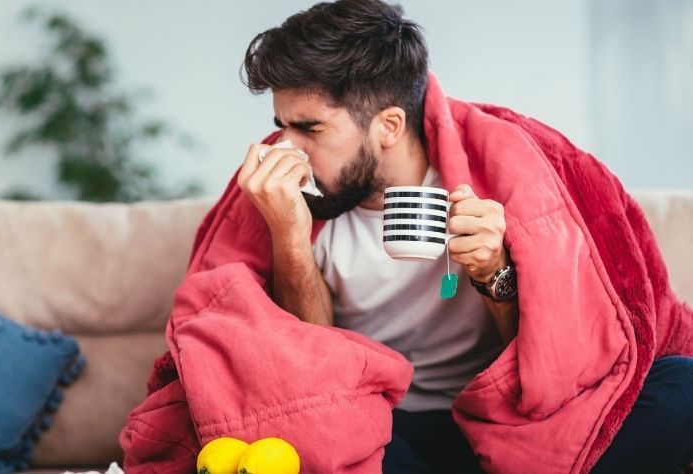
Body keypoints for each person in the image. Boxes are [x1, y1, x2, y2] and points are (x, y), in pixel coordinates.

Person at [235, 0, 693, 472]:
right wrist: (288, 233)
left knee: (683, 386)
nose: (286, 147)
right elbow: (310, 372)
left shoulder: (491, 178)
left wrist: (495, 272)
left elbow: (553, 363)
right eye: (281, 126)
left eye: (309, 127)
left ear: (388, 126)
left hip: (504, 418)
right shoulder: (300, 206)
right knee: (319, 439)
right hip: (384, 426)